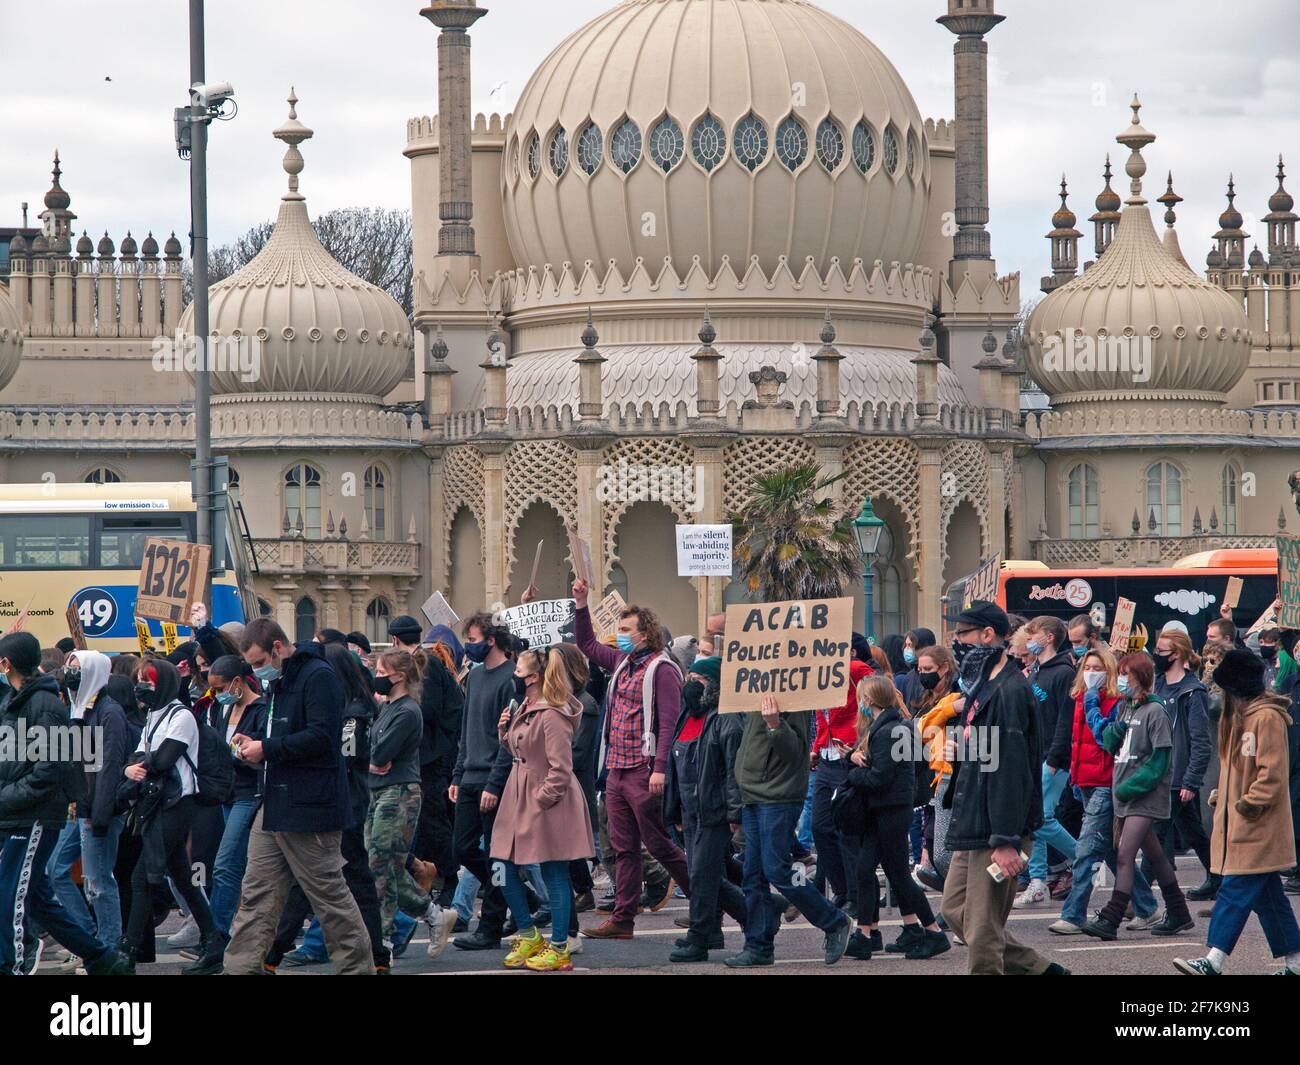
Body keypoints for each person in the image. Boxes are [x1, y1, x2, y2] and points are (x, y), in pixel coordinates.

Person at [221, 618, 373, 975]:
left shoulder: (318, 675)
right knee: (257, 894)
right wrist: (254, 742)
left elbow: (322, 737)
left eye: (258, 663)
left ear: (277, 648)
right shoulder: (282, 680)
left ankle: (357, 969)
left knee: (329, 895)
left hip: (310, 807)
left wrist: (267, 748)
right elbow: (283, 731)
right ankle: (239, 969)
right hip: (276, 802)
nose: (256, 672)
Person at [940, 601, 1066, 975]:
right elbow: (989, 753)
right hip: (976, 821)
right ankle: (1040, 970)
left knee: (981, 933)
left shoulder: (1009, 691)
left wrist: (1006, 839)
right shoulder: (984, 686)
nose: (956, 641)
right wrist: (963, 749)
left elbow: (1011, 771)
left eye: (962, 634)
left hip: (996, 828)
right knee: (954, 910)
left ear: (987, 635)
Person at [0, 632, 132, 976]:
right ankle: (102, 958)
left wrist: (6, 799)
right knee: (39, 902)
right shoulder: (14, 700)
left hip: (33, 817)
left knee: (9, 898)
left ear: (7, 664)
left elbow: (48, 771)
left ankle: (11, 966)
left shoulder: (46, 706)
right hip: (17, 814)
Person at [572, 578, 691, 940]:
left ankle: (706, 897)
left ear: (645, 634)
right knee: (623, 849)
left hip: (643, 770)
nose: (620, 634)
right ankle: (624, 919)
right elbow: (587, 644)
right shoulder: (623, 661)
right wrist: (581, 603)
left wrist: (659, 770)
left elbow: (668, 722)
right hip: (616, 771)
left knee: (656, 844)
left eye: (626, 629)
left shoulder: (663, 669)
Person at [265, 643, 390, 972]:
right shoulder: (353, 706)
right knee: (329, 882)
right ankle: (375, 954)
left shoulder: (351, 712)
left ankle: (372, 954)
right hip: (341, 798)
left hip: (343, 800)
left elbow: (346, 755)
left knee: (337, 882)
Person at [1174, 649, 1300, 975]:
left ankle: (1214, 960)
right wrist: (1224, 795)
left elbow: (1271, 773)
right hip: (1244, 822)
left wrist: (1247, 803)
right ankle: (1295, 962)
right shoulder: (1243, 717)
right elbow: (1241, 769)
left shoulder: (1266, 718)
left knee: (1233, 891)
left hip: (1257, 824)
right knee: (1269, 900)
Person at [723, 691, 851, 968]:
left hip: (778, 797)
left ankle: (834, 920)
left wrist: (774, 725)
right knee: (752, 874)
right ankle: (758, 945)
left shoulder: (794, 699)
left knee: (777, 870)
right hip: (755, 796)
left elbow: (796, 752)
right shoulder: (757, 694)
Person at [489, 646, 592, 972]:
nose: (513, 677)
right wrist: (505, 732)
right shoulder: (528, 706)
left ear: (533, 677)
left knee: (554, 871)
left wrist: (542, 800)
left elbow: (560, 768)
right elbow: (523, 751)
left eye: (518, 672)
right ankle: (528, 933)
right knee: (500, 865)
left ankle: (559, 947)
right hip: (519, 795)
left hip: (543, 800)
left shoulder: (551, 713)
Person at [1049, 646, 1159, 935]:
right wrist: (1074, 779)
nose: (1092, 673)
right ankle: (1148, 908)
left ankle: (1073, 914)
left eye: (1098, 669)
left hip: (1106, 781)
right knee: (1111, 849)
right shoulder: (1080, 698)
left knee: (1086, 849)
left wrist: (1093, 702)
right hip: (1085, 781)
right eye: (1088, 667)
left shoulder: (1114, 701)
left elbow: (1103, 739)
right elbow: (1076, 744)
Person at [1083, 653, 1194, 940]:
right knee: (1156, 856)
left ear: (1141, 678)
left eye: (1126, 674)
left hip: (1144, 795)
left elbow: (1160, 761)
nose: (1121, 679)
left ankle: (1112, 916)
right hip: (1128, 794)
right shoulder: (1126, 708)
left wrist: (1129, 788)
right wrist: (1114, 726)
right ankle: (1179, 911)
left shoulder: (1155, 712)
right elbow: (1109, 743)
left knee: (1124, 854)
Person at [119, 659, 218, 970]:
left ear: (162, 682)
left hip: (176, 803)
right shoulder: (153, 716)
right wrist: (131, 766)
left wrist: (137, 766)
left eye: (147, 680)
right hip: (158, 803)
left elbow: (162, 760)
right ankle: (215, 940)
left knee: (143, 878)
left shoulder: (181, 715)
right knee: (183, 879)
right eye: (139, 680)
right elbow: (137, 756)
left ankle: (127, 954)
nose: (142, 686)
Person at [845, 674, 949, 961]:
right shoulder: (892, 726)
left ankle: (932, 933)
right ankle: (869, 933)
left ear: (868, 700)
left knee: (898, 876)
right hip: (890, 808)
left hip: (889, 809)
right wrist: (853, 757)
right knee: (870, 869)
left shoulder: (888, 730)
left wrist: (852, 771)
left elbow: (878, 777)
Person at [366, 648, 457, 958]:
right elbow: (372, 751)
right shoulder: (387, 708)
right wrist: (373, 757)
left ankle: (385, 939)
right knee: (384, 864)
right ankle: (432, 914)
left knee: (381, 865)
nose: (376, 678)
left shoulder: (407, 711)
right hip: (378, 789)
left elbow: (379, 754)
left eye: (380, 672)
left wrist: (375, 756)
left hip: (399, 793)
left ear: (399, 676)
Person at [183, 655, 269, 974]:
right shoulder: (221, 708)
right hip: (226, 793)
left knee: (224, 865)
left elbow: (263, 755)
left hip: (249, 793)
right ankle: (227, 937)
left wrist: (245, 752)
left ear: (238, 682)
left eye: (220, 687)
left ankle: (216, 939)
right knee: (237, 868)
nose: (216, 693)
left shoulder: (261, 710)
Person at [664, 660, 746, 962]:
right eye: (689, 676)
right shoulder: (687, 714)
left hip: (714, 809)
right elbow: (676, 766)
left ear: (712, 683)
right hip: (689, 811)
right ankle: (748, 918)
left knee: (700, 875)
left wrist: (734, 813)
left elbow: (732, 771)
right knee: (706, 874)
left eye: (697, 677)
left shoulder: (726, 718)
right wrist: (674, 811)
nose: (690, 682)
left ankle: (699, 938)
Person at [449, 612, 518, 951]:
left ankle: (490, 926)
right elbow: (466, 731)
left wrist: (494, 783)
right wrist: (458, 775)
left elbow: (509, 738)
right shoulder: (474, 678)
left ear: (491, 640)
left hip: (495, 780)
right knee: (461, 848)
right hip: (470, 776)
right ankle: (515, 893)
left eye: (473, 640)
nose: (469, 646)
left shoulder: (510, 679)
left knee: (497, 855)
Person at [388, 614, 463, 913]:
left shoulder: (424, 666)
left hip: (431, 759)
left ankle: (450, 876)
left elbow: (427, 710)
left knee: (434, 823)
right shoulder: (425, 663)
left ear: (395, 640)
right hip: (427, 757)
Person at [65, 650, 134, 958]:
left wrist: (100, 814)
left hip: (98, 811)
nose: (72, 674)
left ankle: (107, 949)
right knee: (55, 871)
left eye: (78, 669)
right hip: (80, 808)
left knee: (99, 882)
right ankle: (88, 940)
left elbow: (108, 769)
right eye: (70, 669)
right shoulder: (80, 709)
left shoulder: (109, 712)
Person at [1015, 616, 1078, 907]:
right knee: (1035, 820)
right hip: (1035, 755)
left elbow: (1065, 719)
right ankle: (1038, 881)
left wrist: (1055, 757)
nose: (1030, 639)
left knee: (1043, 819)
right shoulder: (1037, 671)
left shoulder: (1064, 673)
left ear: (1049, 637)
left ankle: (1084, 858)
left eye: (1034, 634)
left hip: (1053, 758)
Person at [1152, 628, 1215, 901]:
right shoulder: (1157, 684)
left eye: (1161, 651)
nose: (1156, 656)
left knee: (1155, 837)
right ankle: (1218, 877)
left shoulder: (1193, 692)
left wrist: (1191, 780)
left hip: (1177, 776)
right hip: (1159, 771)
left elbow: (1201, 743)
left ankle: (1135, 900)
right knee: (1194, 832)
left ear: (1177, 654)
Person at [809, 648, 871, 915]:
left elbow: (878, 686)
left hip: (849, 754)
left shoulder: (854, 668)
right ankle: (842, 889)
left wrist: (864, 734)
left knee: (848, 830)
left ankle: (856, 896)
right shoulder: (812, 673)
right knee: (820, 826)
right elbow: (822, 717)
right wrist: (817, 745)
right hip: (826, 757)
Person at [914, 645, 961, 892]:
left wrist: (947, 710)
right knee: (935, 845)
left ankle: (958, 902)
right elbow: (918, 729)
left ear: (944, 668)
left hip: (951, 775)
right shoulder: (931, 697)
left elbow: (922, 727)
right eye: (920, 669)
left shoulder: (957, 693)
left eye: (928, 669)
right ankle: (955, 904)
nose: (923, 674)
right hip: (934, 775)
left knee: (943, 852)